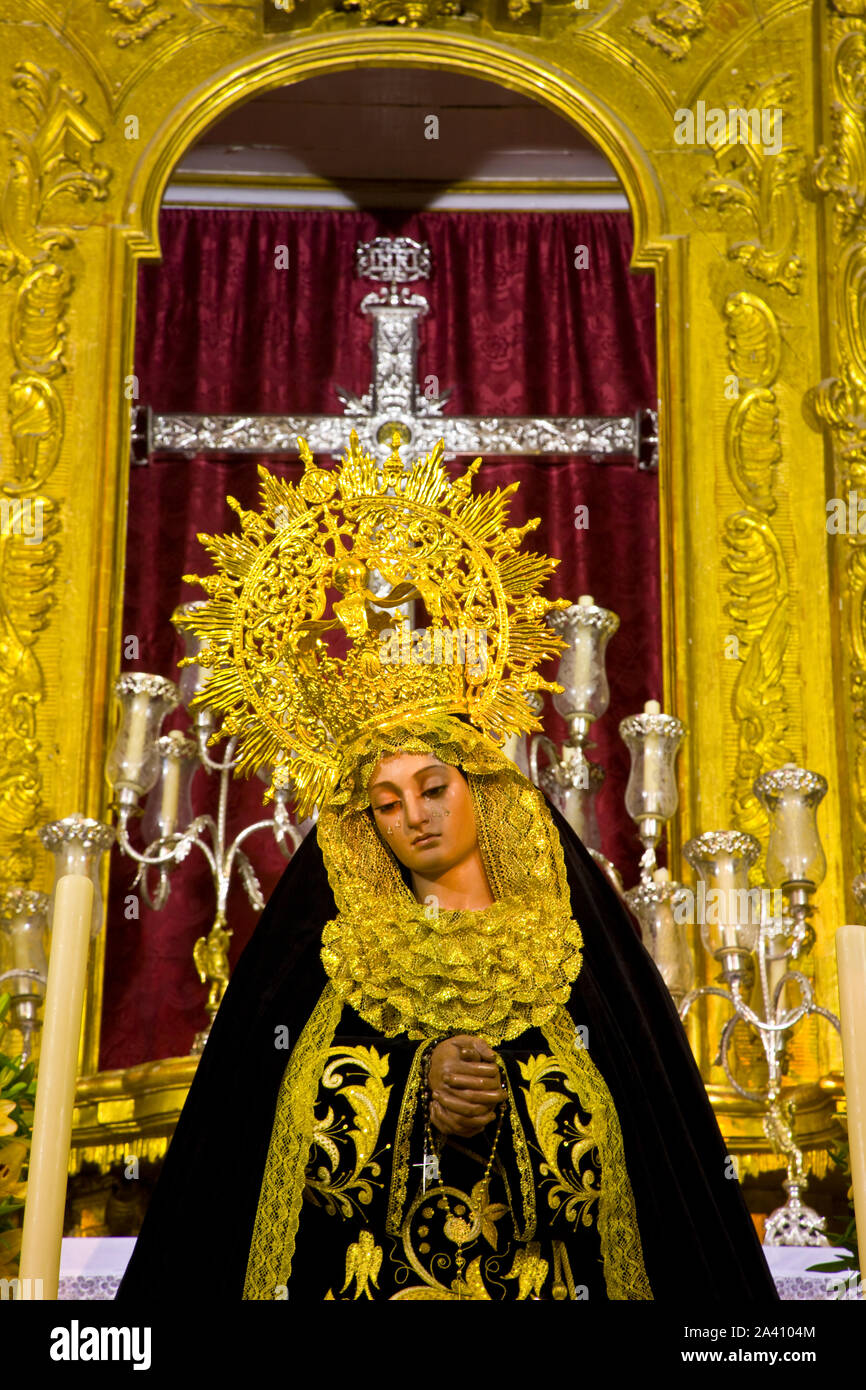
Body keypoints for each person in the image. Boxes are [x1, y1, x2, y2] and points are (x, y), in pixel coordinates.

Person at [116, 431, 779, 1301]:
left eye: (433, 787)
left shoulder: (580, 953)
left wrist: (512, 1099)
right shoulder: (327, 958)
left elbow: (653, 1151)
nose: (414, 816)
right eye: (386, 804)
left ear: (481, 789)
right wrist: (411, 1097)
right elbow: (257, 1138)